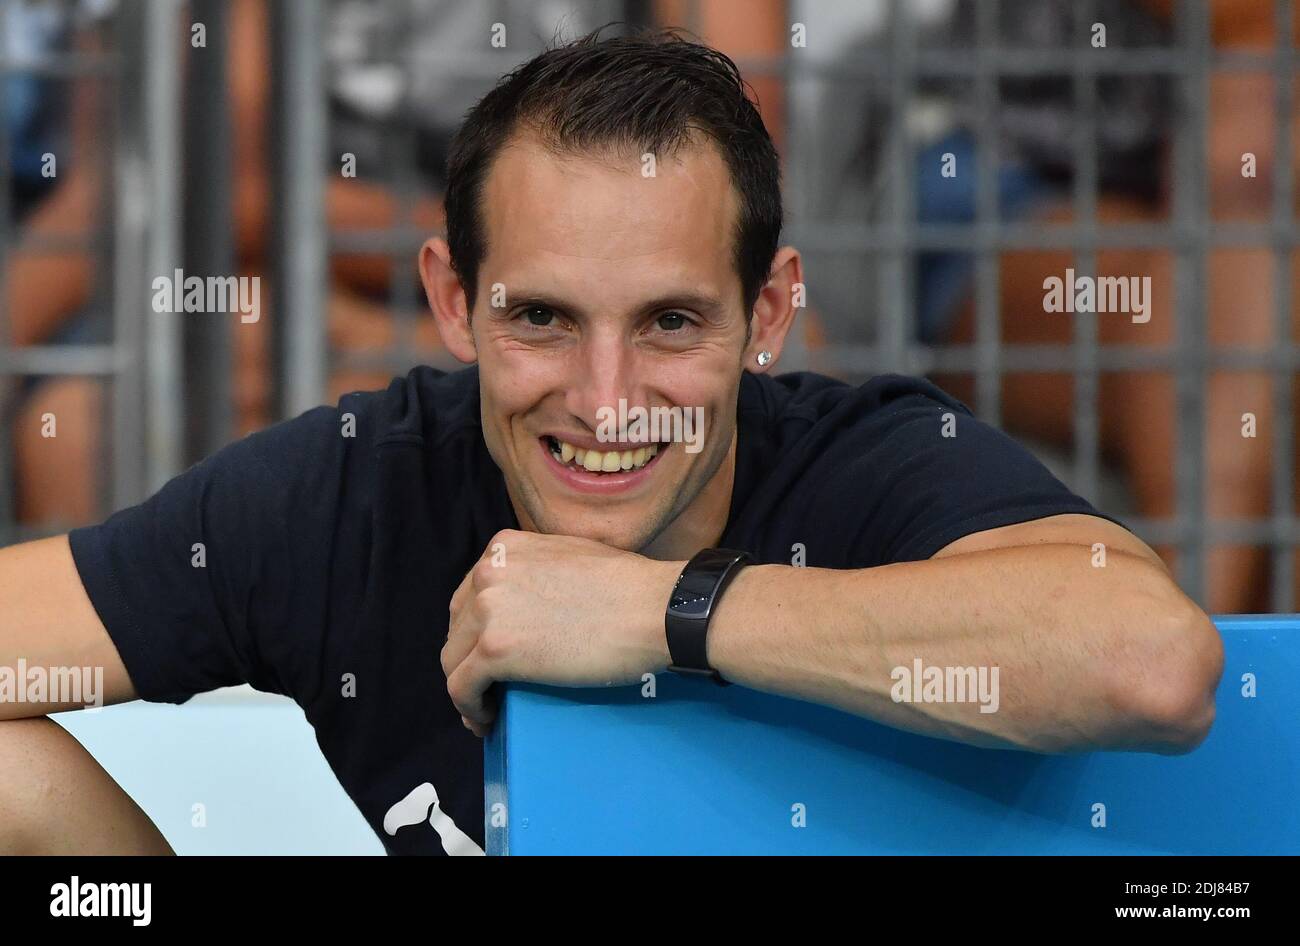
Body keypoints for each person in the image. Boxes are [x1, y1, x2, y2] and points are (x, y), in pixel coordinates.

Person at [0, 29, 1223, 857]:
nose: (605, 397)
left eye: (671, 322)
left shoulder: (870, 458)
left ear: (771, 312)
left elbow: (1150, 664)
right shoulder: (354, 484)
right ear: (450, 299)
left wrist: (664, 612)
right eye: (539, 317)